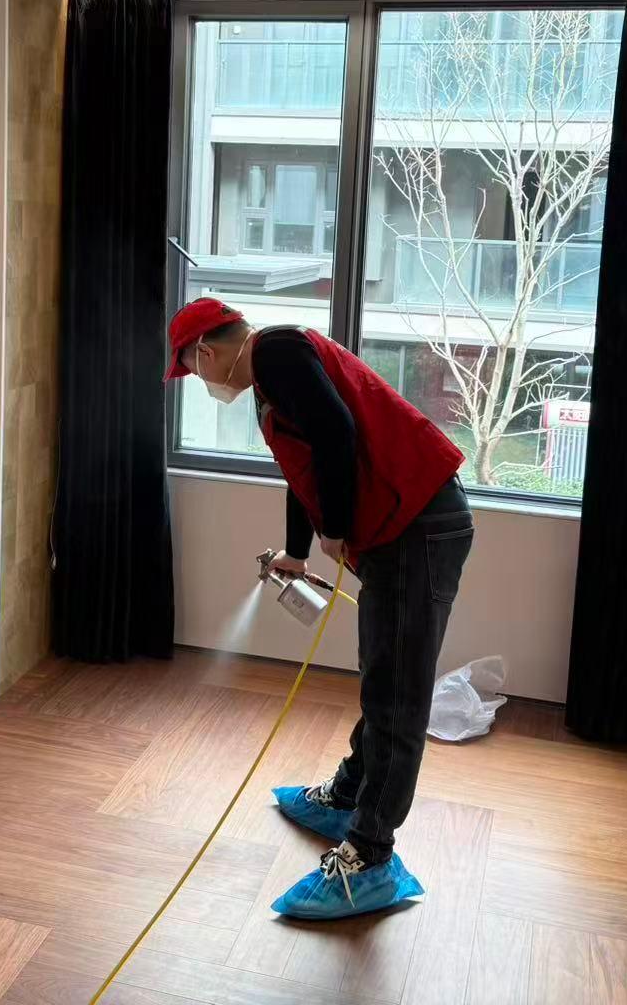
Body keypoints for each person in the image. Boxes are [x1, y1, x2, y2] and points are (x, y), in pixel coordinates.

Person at [164, 297, 474, 920]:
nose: (199, 381)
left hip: (418, 527)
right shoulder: (271, 372)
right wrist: (298, 552)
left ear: (205, 351)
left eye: (192, 371)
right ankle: (349, 796)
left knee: (397, 697)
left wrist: (333, 527)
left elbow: (337, 432)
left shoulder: (276, 350)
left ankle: (370, 859)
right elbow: (303, 465)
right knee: (382, 679)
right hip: (401, 529)